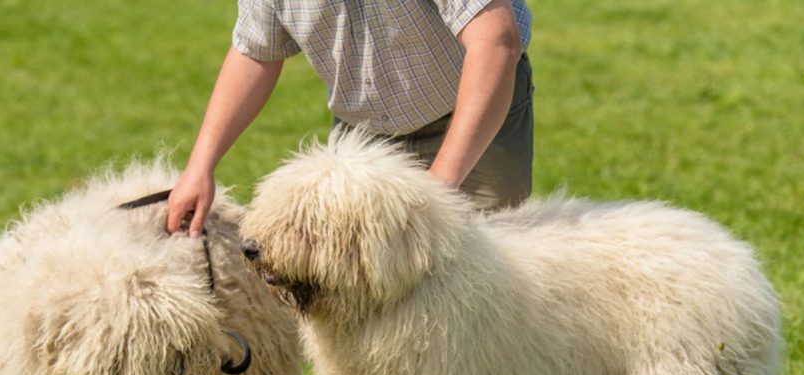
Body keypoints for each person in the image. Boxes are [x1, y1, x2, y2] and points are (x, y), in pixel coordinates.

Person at [168, 0, 534, 235]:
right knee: (359, 298)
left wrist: (437, 188)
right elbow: (256, 50)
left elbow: (496, 42)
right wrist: (200, 167)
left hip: (472, 115)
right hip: (364, 135)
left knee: (484, 285)